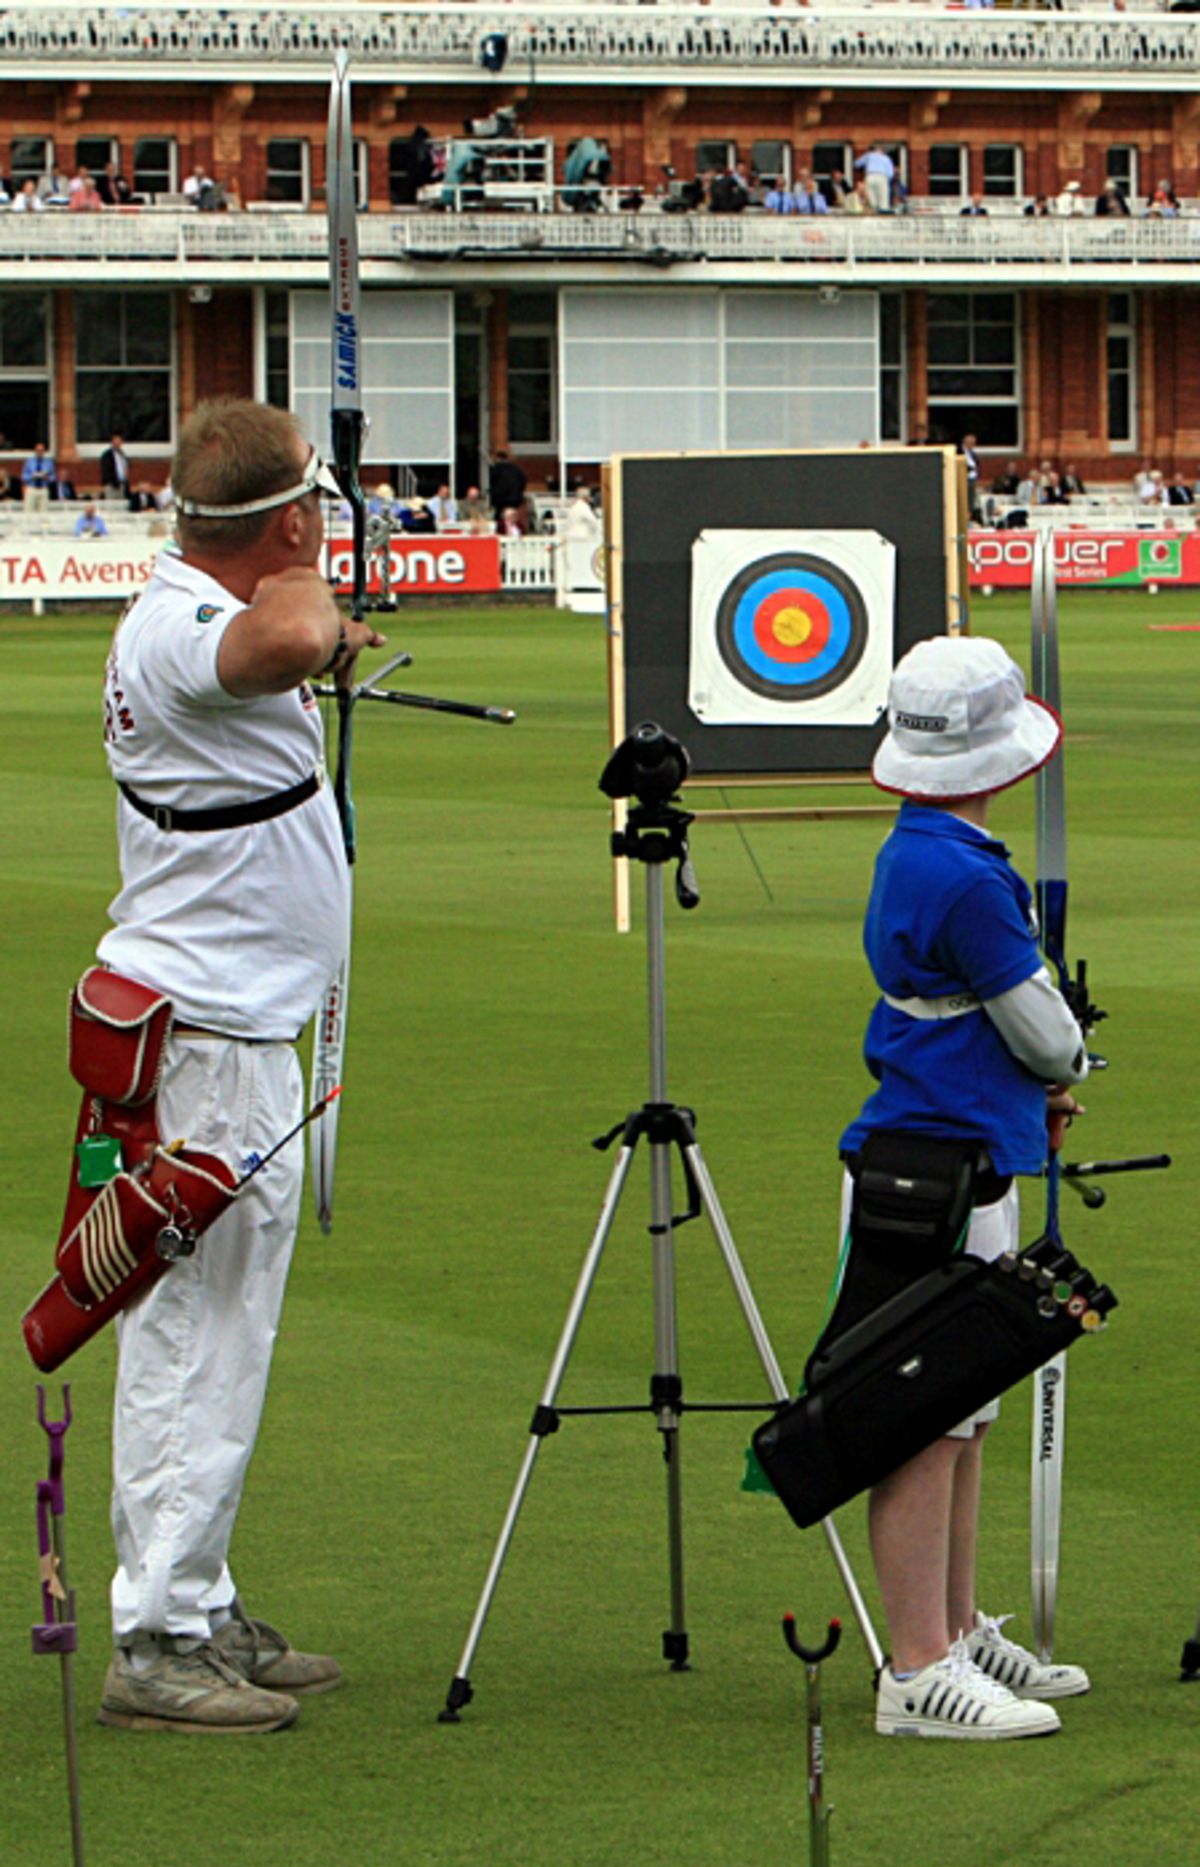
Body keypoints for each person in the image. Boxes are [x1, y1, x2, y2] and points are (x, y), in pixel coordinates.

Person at [94, 397, 386, 1734]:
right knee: (198, 1334)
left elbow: (272, 650)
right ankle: (156, 1632)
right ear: (283, 522)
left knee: (221, 1329)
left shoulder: (184, 617)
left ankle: (195, 1599)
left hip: (225, 1024)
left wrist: (314, 624)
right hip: (207, 1038)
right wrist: (316, 597)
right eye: (313, 515)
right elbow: (279, 634)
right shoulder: (181, 627)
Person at [841, 635, 1092, 1740]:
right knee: (925, 1413)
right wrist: (1064, 1065)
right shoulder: (959, 872)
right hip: (936, 1169)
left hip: (956, 1150)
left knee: (964, 1407)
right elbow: (1042, 1031)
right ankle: (917, 1666)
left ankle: (953, 1624)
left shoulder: (929, 851)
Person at [854, 142, 895, 214]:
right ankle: (883, 208)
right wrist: (888, 180)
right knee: (883, 194)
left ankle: (874, 208)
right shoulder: (886, 158)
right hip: (881, 176)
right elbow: (890, 172)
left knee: (871, 193)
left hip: (870, 175)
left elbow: (857, 164)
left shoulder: (868, 155)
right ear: (881, 150)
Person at [489, 449, 526, 523]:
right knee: (512, 517)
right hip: (515, 498)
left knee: (499, 518)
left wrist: (493, 495)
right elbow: (523, 480)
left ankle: (501, 530)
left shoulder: (496, 469)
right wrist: (518, 492)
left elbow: (493, 483)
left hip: (501, 499)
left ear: (497, 458)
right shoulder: (516, 469)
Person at [21, 442, 56, 509]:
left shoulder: (49, 462)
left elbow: (54, 477)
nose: (39, 452)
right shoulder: (29, 462)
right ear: (35, 451)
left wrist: (47, 478)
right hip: (32, 488)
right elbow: (23, 476)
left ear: (44, 451)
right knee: (29, 511)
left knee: (43, 514)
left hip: (43, 489)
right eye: (38, 450)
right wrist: (32, 477)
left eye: (41, 450)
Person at [101, 433, 131, 501]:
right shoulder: (107, 455)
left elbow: (125, 467)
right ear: (112, 442)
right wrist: (110, 481)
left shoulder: (122, 454)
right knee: (111, 503)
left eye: (120, 441)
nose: (118, 443)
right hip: (111, 484)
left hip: (122, 484)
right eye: (116, 441)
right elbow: (106, 469)